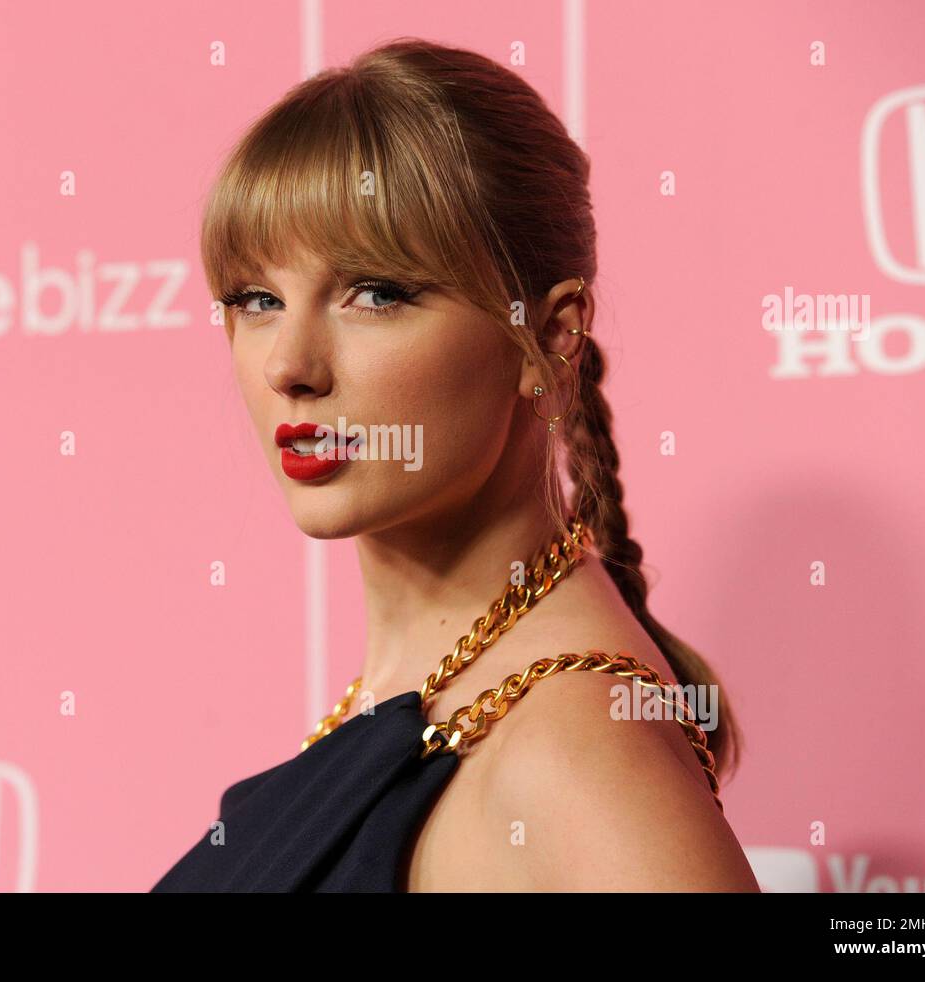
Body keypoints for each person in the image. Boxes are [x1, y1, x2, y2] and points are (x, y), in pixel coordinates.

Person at [152, 37, 760, 892]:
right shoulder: (436, 704)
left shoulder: (572, 752)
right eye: (259, 300)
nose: (289, 365)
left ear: (551, 337)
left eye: (377, 293)